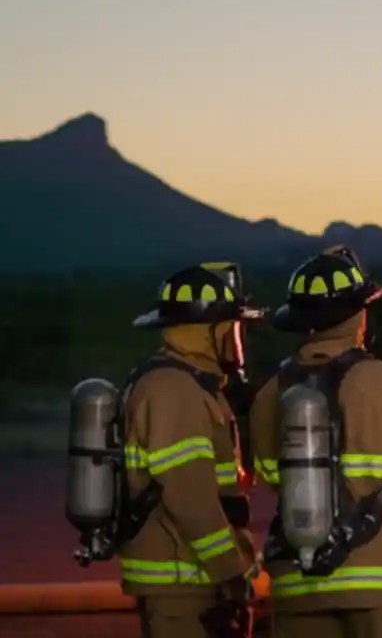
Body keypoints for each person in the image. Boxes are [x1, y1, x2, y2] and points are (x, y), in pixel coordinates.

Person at [251, 245, 382, 638]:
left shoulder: (270, 394)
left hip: (299, 588)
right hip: (380, 585)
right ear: (359, 315)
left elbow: (272, 477)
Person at [117, 262, 262, 637]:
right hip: (183, 581)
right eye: (232, 327)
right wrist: (230, 571)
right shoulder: (174, 392)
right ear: (206, 331)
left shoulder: (185, 383)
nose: (237, 338)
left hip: (188, 578)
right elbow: (190, 499)